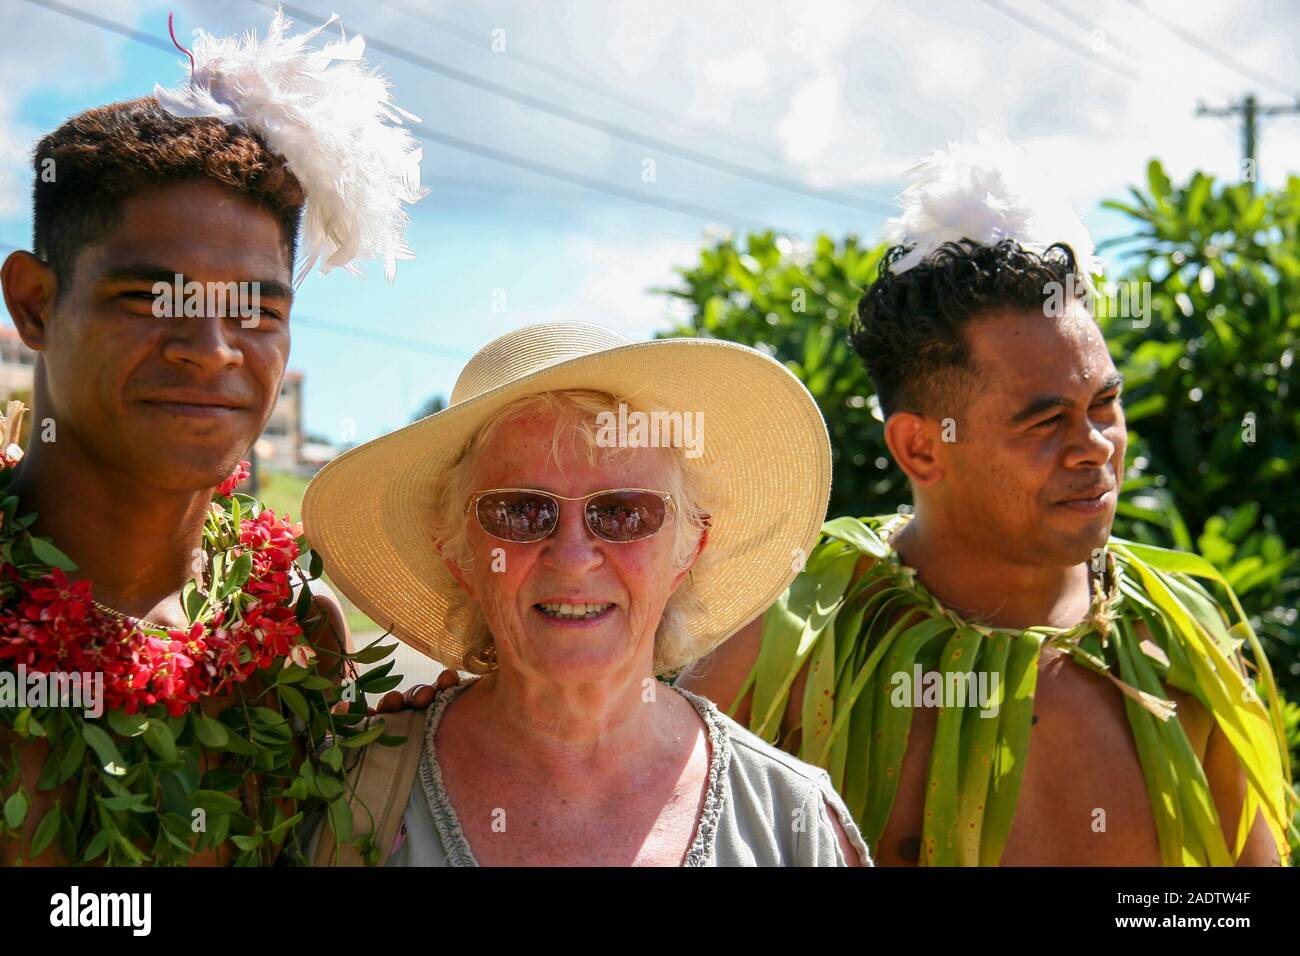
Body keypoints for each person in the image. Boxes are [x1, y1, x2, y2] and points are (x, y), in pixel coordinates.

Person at [677, 135, 1293, 866]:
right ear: (920, 448)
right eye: (1044, 421)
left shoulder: (1180, 644)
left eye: (1104, 404)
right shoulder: (790, 648)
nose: (1095, 444)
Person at [0, 10, 434, 865]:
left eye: (258, 309)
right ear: (36, 304)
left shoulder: (298, 634)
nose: (211, 351)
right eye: (149, 299)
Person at [302, 322, 870, 866]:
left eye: (624, 513)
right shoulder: (346, 791)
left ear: (688, 550)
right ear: (459, 555)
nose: (573, 558)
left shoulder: (790, 820)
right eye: (522, 512)